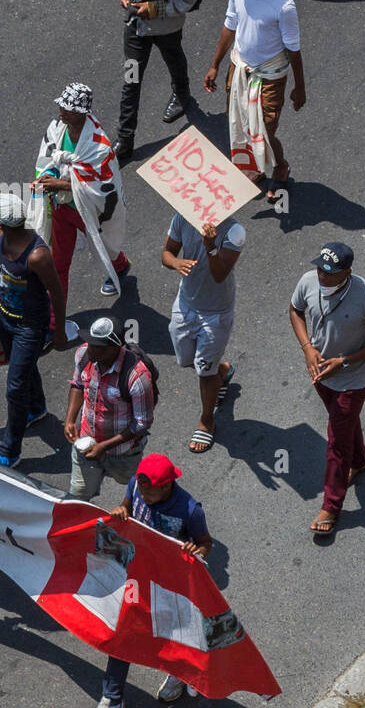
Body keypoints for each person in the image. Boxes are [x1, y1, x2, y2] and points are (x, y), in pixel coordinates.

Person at [82, 453, 212, 708]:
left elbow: (204, 543)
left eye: (150, 492)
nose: (143, 495)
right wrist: (121, 509)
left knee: (176, 633)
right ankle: (113, 702)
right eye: (141, 489)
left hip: (171, 584)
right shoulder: (135, 485)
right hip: (137, 576)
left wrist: (196, 551)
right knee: (123, 636)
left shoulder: (190, 510)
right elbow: (126, 505)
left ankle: (180, 674)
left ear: (168, 486)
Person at [290, 243, 365, 537]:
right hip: (320, 373)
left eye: (329, 272)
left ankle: (331, 505)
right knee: (343, 422)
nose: (321, 275)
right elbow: (295, 310)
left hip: (352, 380)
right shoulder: (308, 281)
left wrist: (344, 361)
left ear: (347, 273)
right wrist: (308, 349)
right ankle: (359, 462)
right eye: (319, 267)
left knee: (336, 440)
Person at [204, 0, 304, 200]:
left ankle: (280, 167)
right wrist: (215, 65)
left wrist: (299, 89)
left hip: (269, 75)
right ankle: (254, 169)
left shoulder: (283, 6)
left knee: (265, 129)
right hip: (239, 69)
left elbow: (294, 51)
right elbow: (230, 26)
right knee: (240, 121)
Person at [114, 0, 199, 163]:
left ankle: (182, 93)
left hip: (166, 26)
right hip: (136, 24)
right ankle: (125, 141)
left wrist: (156, 9)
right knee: (131, 81)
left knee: (173, 58)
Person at [30, 84, 130, 299]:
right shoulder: (57, 127)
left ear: (82, 113)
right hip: (61, 207)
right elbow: (48, 159)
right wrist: (43, 180)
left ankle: (120, 265)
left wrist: (60, 185)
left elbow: (102, 187)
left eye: (67, 109)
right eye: (62, 107)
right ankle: (56, 323)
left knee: (103, 245)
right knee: (59, 264)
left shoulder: (100, 147)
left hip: (89, 212)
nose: (61, 112)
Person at [162, 212, 244, 453]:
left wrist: (210, 247)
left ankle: (207, 420)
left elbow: (220, 275)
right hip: (186, 304)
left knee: (204, 372)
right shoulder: (180, 218)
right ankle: (222, 370)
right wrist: (176, 263)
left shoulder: (234, 230)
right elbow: (166, 254)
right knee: (187, 360)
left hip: (215, 313)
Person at [0, 194, 66, 469]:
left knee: (15, 387)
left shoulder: (38, 255)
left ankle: (10, 448)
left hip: (30, 326)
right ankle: (36, 409)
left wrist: (59, 331)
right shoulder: (2, 239)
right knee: (24, 368)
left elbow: (57, 293)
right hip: (4, 318)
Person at [65, 318, 155, 502]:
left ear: (114, 348)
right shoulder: (83, 354)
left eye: (98, 346)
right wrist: (69, 420)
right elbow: (78, 385)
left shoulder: (137, 376)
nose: (91, 348)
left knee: (136, 491)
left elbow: (142, 423)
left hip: (124, 451)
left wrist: (104, 447)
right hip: (85, 443)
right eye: (91, 342)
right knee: (77, 496)